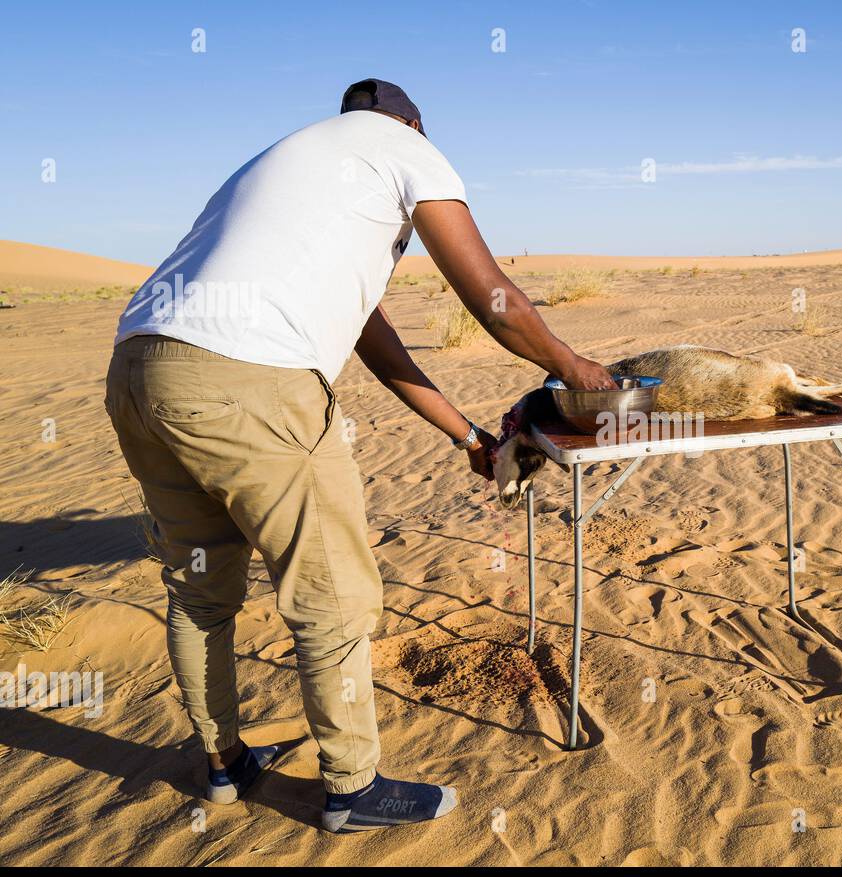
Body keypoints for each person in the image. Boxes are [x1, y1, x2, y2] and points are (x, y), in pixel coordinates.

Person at [104, 78, 614, 833]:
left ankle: (222, 766)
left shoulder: (291, 166)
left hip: (139, 371)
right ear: (414, 124)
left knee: (199, 589)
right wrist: (578, 372)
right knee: (333, 594)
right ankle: (351, 786)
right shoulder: (409, 152)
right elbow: (493, 298)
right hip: (250, 380)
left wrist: (469, 437)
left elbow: (377, 344)